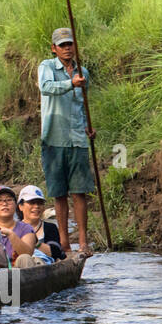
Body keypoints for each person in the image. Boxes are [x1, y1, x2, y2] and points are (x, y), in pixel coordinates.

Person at [39, 27, 94, 256]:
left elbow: (82, 104)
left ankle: (83, 242)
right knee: (59, 193)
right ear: (54, 48)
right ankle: (64, 243)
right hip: (54, 138)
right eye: (62, 45)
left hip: (78, 138)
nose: (67, 48)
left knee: (79, 192)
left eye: (70, 44)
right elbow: (46, 87)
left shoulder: (83, 72)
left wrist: (88, 127)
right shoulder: (47, 66)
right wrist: (71, 83)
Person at [0, 185, 40, 268]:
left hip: (20, 272)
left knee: (24, 258)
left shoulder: (26, 228)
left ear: (15, 204)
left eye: (9, 200)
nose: (5, 204)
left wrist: (11, 234)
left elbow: (27, 254)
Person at [18, 185, 65, 260]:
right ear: (21, 206)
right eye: (32, 203)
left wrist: (35, 242)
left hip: (44, 265)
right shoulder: (14, 229)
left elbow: (56, 252)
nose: (36, 206)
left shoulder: (50, 227)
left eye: (40, 203)